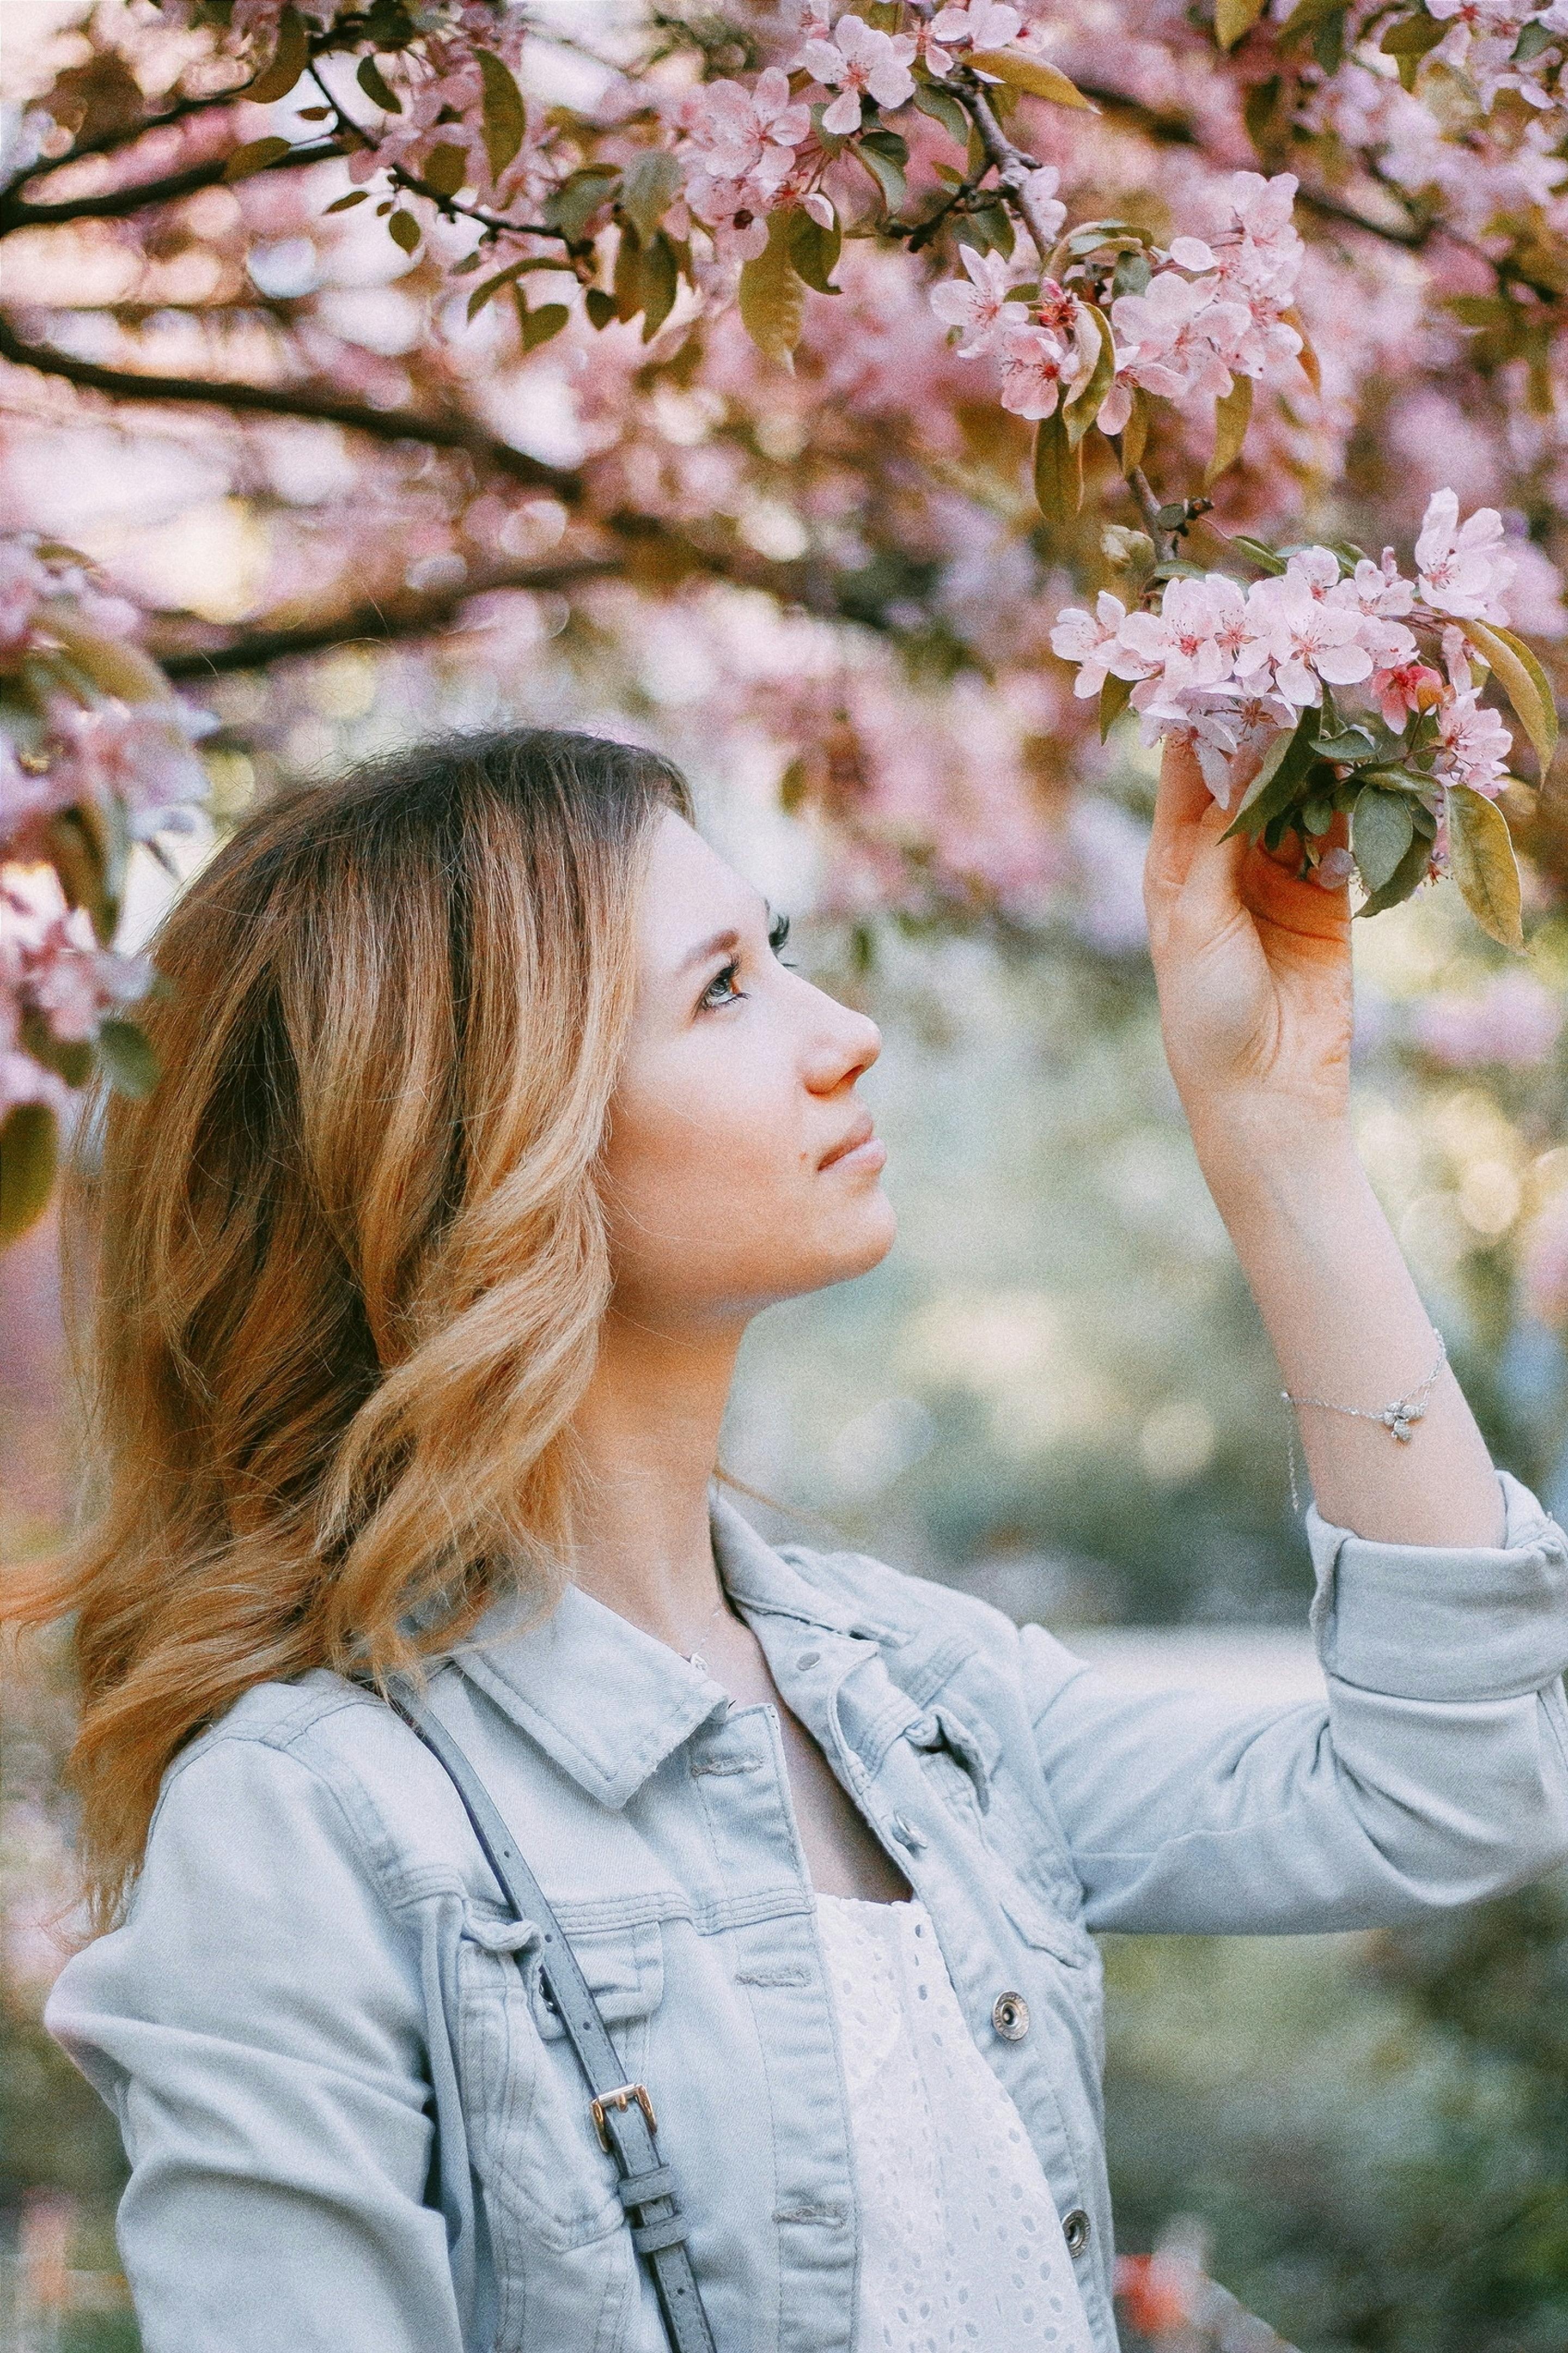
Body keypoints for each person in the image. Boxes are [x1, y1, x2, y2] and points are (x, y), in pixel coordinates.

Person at [18, 726, 1568, 2353]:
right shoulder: (313, 1830)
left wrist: (1277, 1130)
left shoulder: (917, 1699)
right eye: (723, 991)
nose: (849, 1035)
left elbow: (1455, 1788)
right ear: (485, 1140)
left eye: (786, 954)